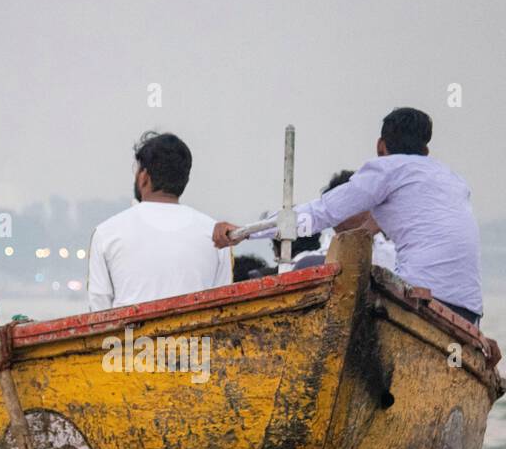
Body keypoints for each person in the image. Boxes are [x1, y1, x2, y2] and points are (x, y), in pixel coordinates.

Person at [213, 108, 483, 323]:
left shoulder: (386, 170)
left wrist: (242, 233)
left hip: (421, 302)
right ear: (426, 151)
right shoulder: (454, 180)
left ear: (380, 146)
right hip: (469, 308)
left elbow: (319, 214)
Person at [87, 131, 232, 311]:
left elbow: (99, 310)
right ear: (184, 179)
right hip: (197, 339)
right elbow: (223, 308)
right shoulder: (216, 236)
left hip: (130, 339)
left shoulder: (106, 233)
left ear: (144, 177)